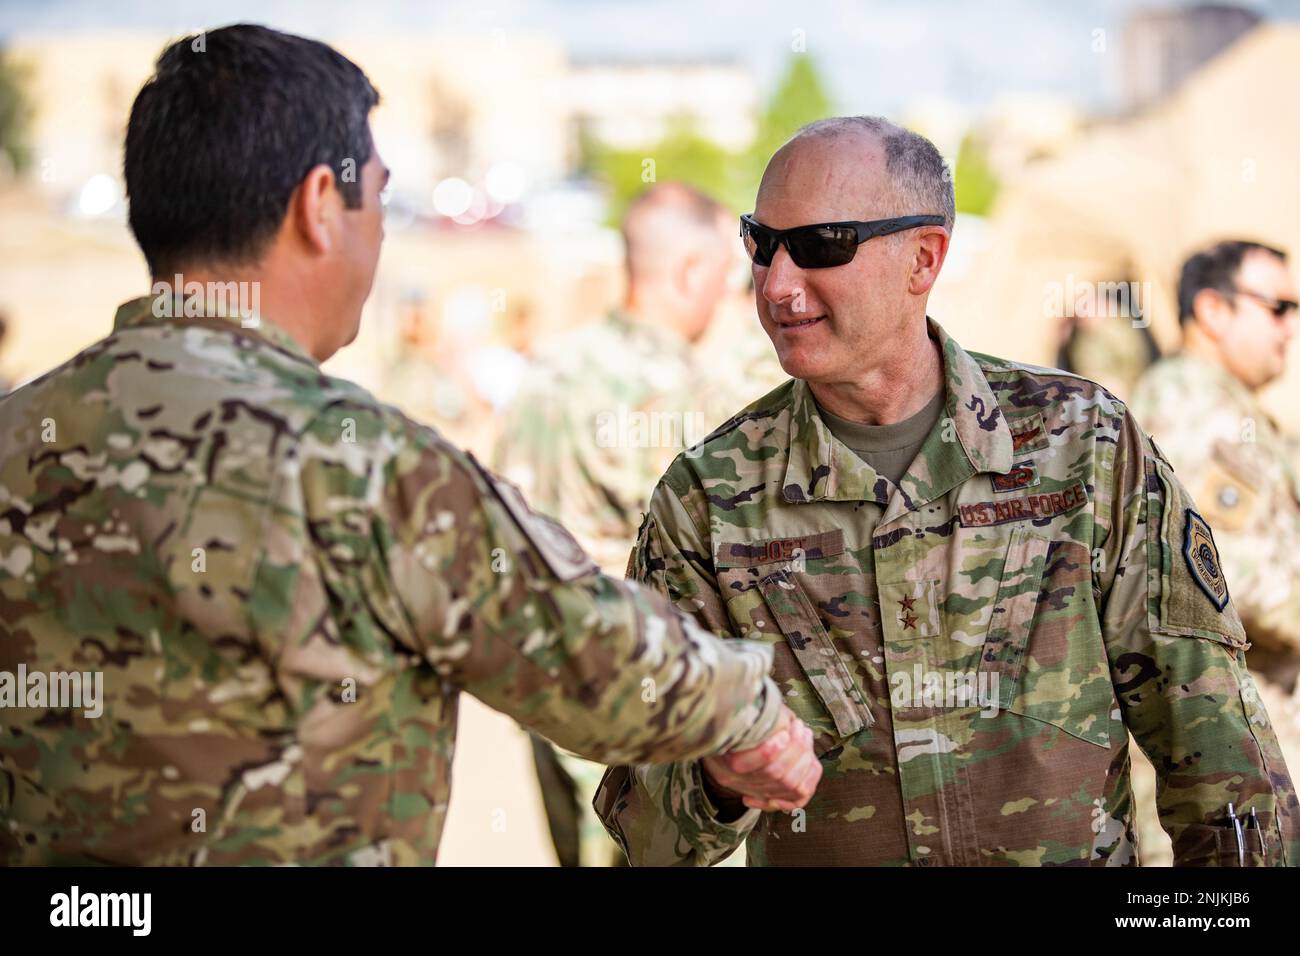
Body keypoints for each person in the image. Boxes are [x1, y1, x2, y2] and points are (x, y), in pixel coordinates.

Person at [0, 24, 820, 867]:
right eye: (378, 200)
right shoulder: (362, 465)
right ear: (321, 206)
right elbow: (595, 660)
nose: (382, 235)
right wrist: (752, 711)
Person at [596, 115, 1299, 866]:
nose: (777, 283)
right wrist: (718, 781)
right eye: (760, 245)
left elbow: (1223, 764)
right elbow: (645, 831)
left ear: (923, 258)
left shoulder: (1084, 449)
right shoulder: (706, 499)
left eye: (818, 246)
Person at [495, 182, 737, 865]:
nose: (726, 297)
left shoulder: (546, 375)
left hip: (545, 690)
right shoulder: (691, 397)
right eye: (723, 277)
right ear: (691, 271)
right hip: (640, 711)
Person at [1130, 240, 1300, 775]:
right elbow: (1226, 568)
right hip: (1233, 735)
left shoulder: (1229, 405)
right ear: (1212, 310)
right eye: (1277, 308)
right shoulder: (1191, 401)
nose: (1289, 328)